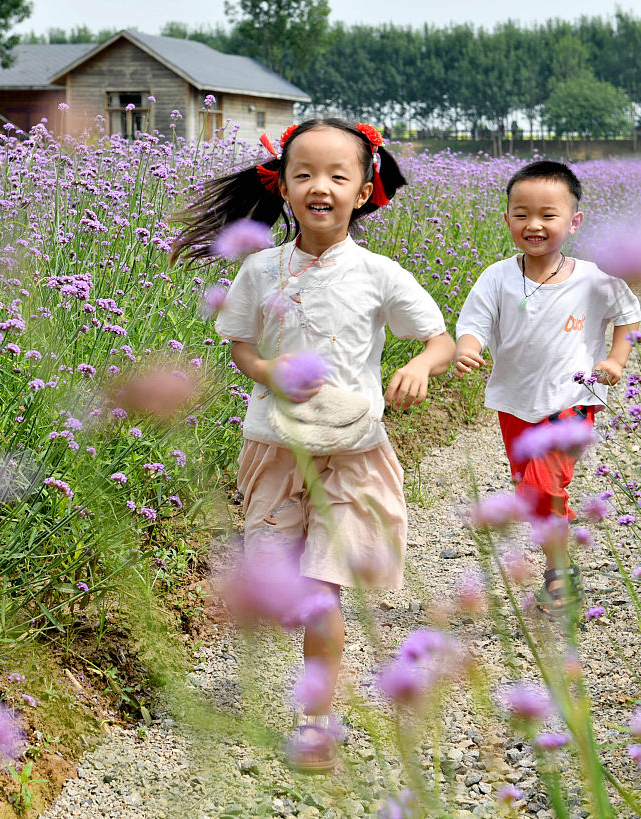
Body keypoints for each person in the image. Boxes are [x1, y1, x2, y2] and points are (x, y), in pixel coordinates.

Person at [172, 119, 455, 771]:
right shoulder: (259, 269)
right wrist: (268, 372)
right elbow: (239, 344)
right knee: (290, 592)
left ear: (365, 190)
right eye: (303, 174)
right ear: (282, 186)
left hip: (353, 450)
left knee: (322, 591)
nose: (319, 186)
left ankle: (317, 720)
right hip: (275, 446)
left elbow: (436, 337)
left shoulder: (381, 274)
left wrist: (419, 368)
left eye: (336, 175)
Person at [453, 160, 641, 615]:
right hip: (516, 404)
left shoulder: (594, 277)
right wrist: (466, 347)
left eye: (547, 215)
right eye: (521, 214)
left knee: (542, 483)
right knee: (530, 493)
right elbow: (474, 322)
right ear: (507, 220)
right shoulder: (497, 276)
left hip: (572, 401)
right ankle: (561, 561)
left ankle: (561, 577)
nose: (533, 224)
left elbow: (628, 318)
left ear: (573, 222)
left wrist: (615, 360)